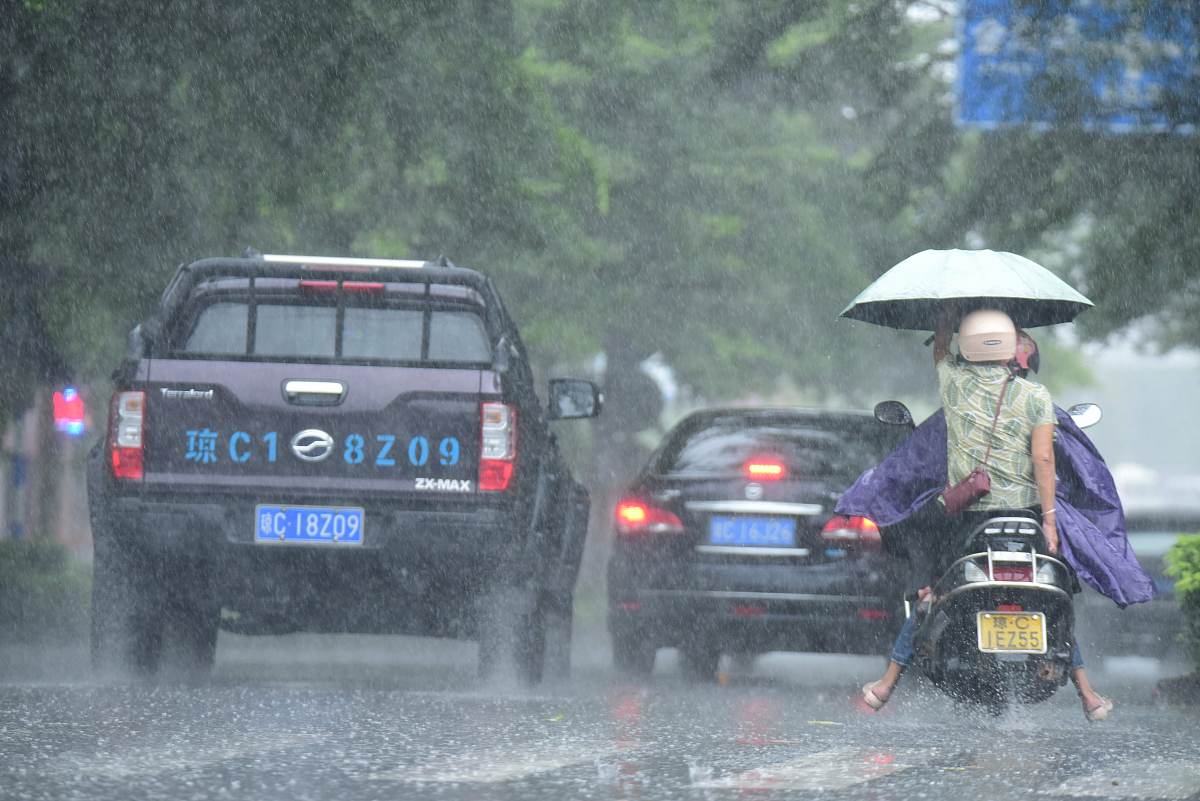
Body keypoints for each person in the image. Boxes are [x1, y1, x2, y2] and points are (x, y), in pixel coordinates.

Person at [861, 307, 1113, 722]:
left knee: (931, 593)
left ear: (968, 345)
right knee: (1056, 595)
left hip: (965, 516)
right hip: (1028, 516)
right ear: (1015, 348)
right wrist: (1049, 520)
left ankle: (886, 684)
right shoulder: (1036, 396)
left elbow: (941, 354)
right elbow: (1044, 458)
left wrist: (944, 320)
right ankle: (1088, 694)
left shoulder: (955, 384)